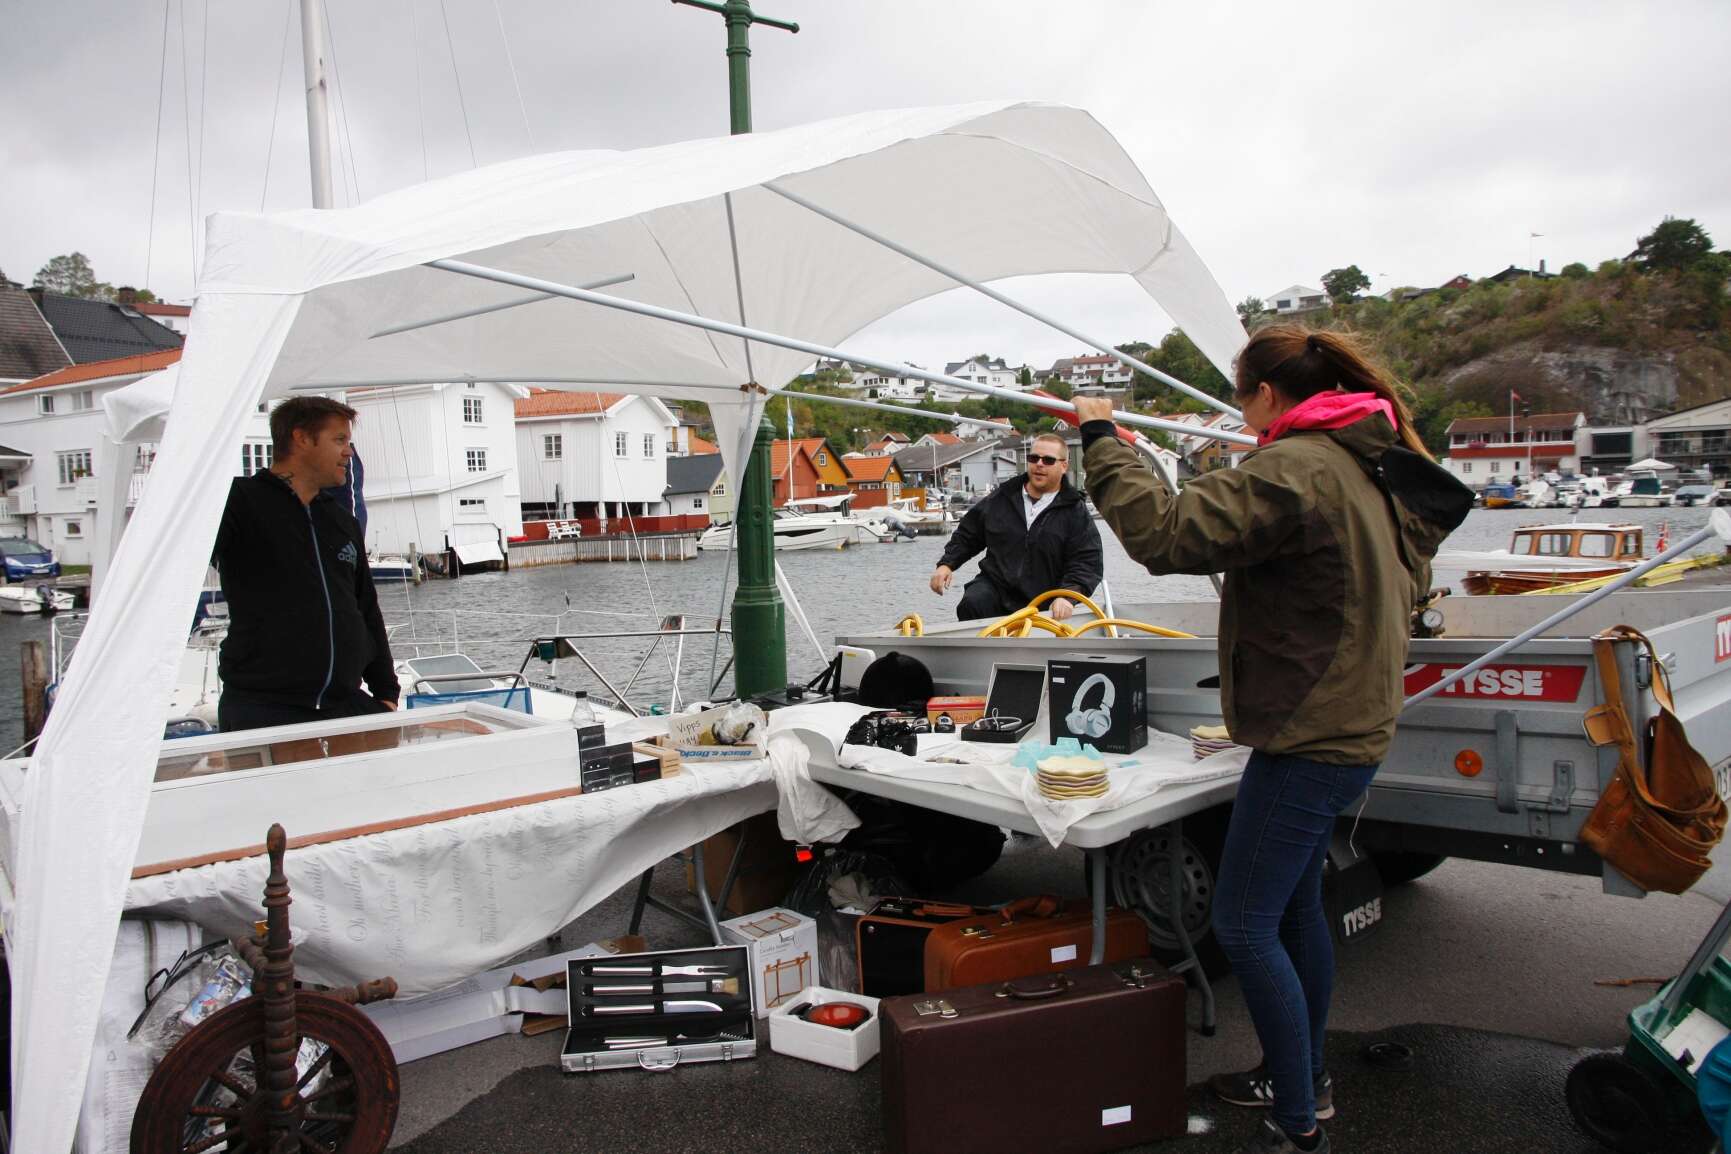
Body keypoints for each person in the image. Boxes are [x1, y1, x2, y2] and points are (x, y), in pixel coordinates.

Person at [1075, 327, 1470, 1154]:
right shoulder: (1371, 461)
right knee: (1292, 909)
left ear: (1262, 396)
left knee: (1244, 923)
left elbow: (1167, 539)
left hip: (1310, 732)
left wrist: (1100, 441)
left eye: (1240, 396)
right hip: (1348, 723)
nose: (1241, 413)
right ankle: (1301, 1079)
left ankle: (1298, 1121)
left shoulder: (1299, 466)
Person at [213, 396, 400, 732]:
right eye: (339, 440)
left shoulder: (341, 520)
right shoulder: (238, 504)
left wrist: (386, 693)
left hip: (344, 707)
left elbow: (365, 608)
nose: (349, 453)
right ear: (301, 438)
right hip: (262, 710)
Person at [928, 432, 1104, 621]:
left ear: (1063, 466)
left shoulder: (1075, 512)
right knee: (973, 603)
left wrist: (1067, 596)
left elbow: (1087, 562)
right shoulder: (1001, 498)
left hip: (1045, 601)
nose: (1039, 464)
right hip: (997, 589)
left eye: (1048, 460)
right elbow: (969, 533)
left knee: (1055, 613)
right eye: (1034, 458)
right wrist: (946, 564)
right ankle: (978, 650)